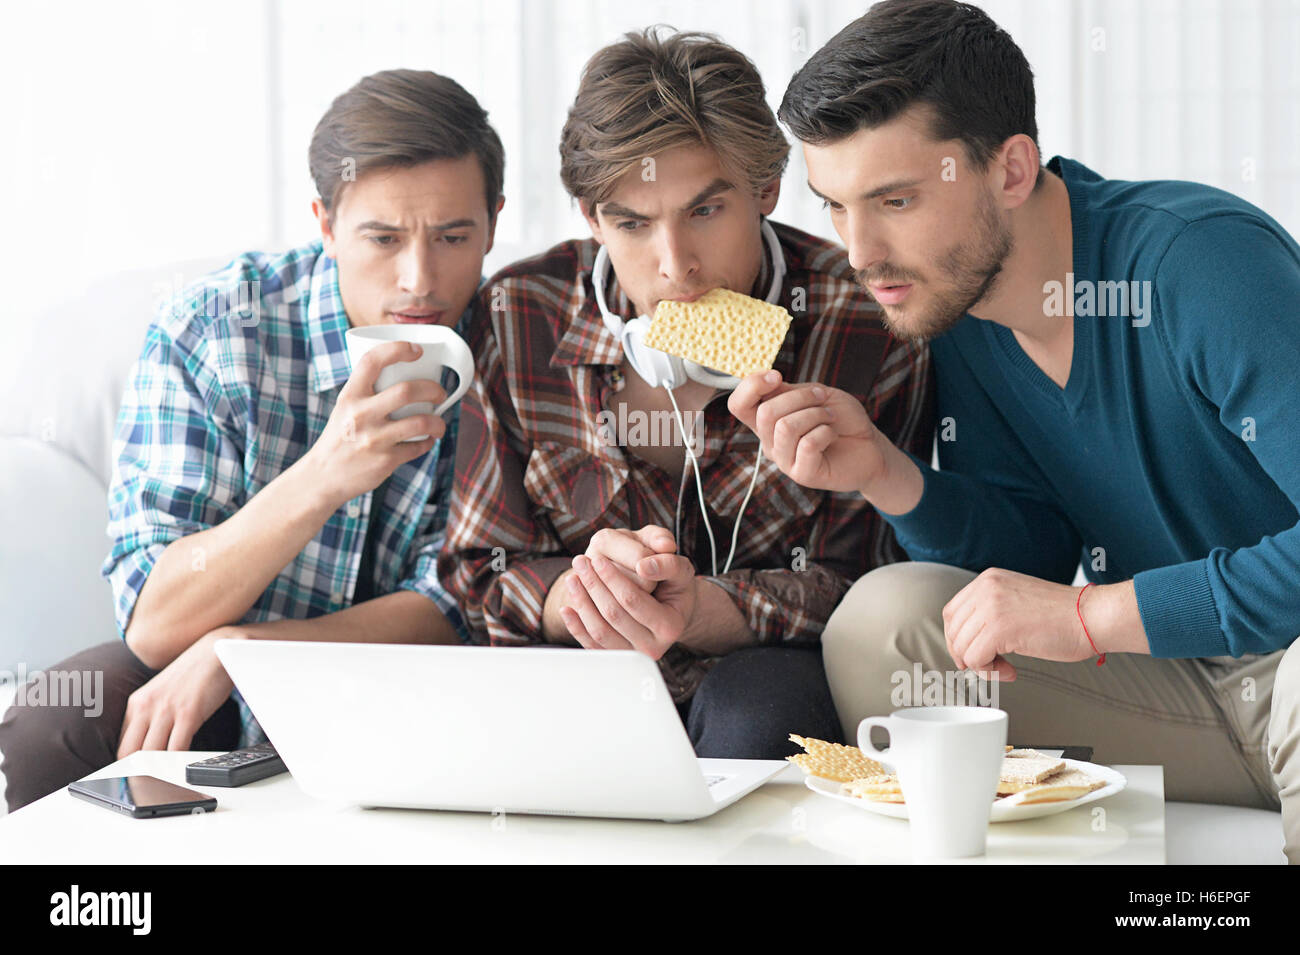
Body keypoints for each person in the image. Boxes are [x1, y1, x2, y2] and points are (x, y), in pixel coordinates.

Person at [729, 0, 1300, 860]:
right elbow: (1026, 564)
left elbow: (1070, 608)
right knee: (884, 625)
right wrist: (886, 472)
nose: (861, 250)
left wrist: (1092, 614)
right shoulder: (957, 309)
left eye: (895, 199)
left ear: (1010, 170)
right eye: (838, 206)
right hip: (1178, 682)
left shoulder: (1201, 264)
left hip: (1288, 661)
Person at [0, 70, 505, 812]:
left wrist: (250, 649)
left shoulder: (509, 339)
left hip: (401, 671)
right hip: (193, 668)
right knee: (49, 729)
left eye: (454, 237)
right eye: (383, 238)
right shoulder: (213, 330)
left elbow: (459, 603)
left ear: (492, 222)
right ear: (326, 224)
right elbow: (155, 619)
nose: (418, 279)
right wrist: (323, 477)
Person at [439, 27, 932, 759]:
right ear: (589, 217)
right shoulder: (518, 314)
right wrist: (579, 594)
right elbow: (478, 567)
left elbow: (871, 585)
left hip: (764, 668)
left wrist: (704, 607)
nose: (678, 268)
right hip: (583, 665)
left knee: (759, 717)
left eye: (705, 211)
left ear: (765, 190)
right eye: (632, 224)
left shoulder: (865, 320)